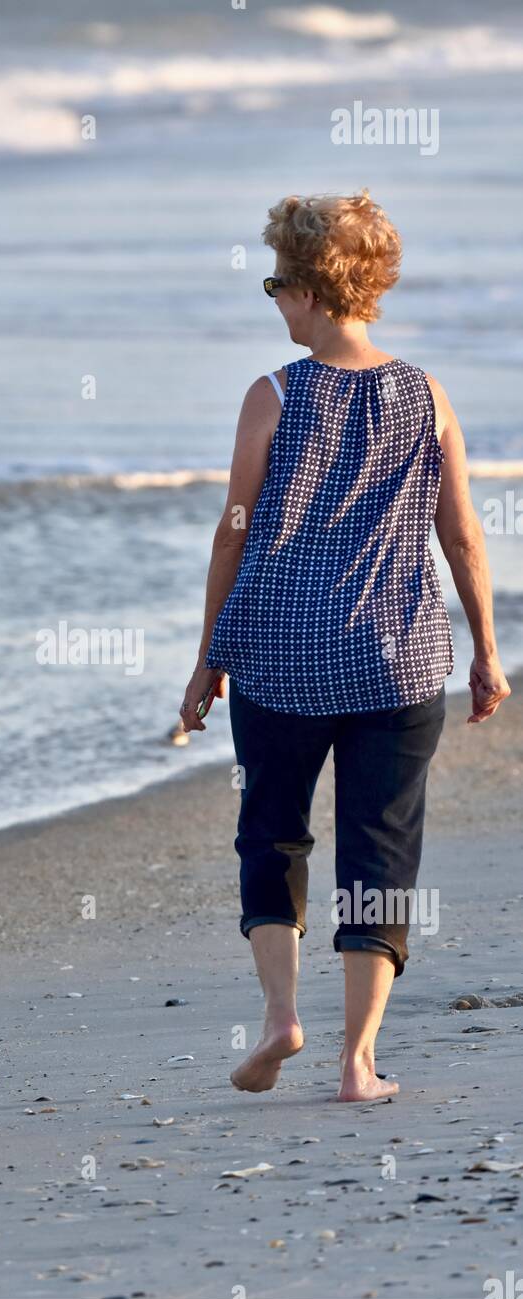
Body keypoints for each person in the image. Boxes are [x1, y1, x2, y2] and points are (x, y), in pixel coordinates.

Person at [179, 190, 510, 1103]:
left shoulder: (274, 395)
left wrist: (208, 657)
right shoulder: (426, 392)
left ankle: (282, 1016)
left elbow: (232, 533)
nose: (274, 303)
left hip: (281, 661)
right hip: (398, 659)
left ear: (316, 293)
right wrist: (487, 650)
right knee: (381, 848)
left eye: (278, 285)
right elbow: (464, 536)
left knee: (272, 834)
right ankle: (357, 1062)